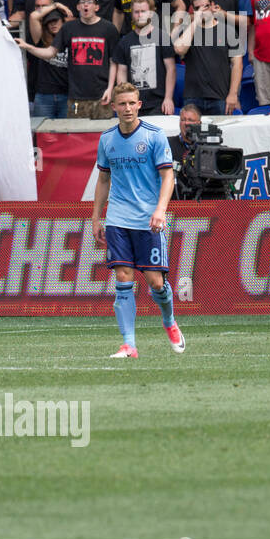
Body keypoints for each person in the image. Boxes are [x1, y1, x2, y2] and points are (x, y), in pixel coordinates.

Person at [93, 82, 183, 359]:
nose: (128, 108)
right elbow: (104, 178)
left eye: (132, 103)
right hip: (118, 218)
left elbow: (168, 175)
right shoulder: (107, 139)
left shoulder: (155, 136)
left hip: (148, 219)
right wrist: (97, 216)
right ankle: (129, 344)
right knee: (123, 277)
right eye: (122, 104)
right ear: (114, 106)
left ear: (139, 105)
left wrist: (160, 210)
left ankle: (168, 320)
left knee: (156, 282)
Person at [20, 0, 121, 118]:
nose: (85, 4)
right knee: (75, 135)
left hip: (101, 95)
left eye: (89, 2)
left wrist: (110, 88)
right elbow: (51, 52)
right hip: (76, 97)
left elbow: (113, 61)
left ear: (96, 7)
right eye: (82, 2)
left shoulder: (109, 28)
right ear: (78, 7)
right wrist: (27, 46)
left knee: (102, 134)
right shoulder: (69, 28)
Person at [172, 0, 242, 114]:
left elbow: (237, 64)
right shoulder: (189, 32)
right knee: (192, 134)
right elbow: (179, 49)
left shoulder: (228, 31)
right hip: (192, 97)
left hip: (220, 97)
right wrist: (195, 22)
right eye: (198, 8)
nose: (203, 10)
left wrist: (233, 94)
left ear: (213, 6)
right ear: (193, 10)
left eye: (206, 6)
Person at [112, 0, 176, 115]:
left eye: (143, 11)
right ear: (132, 14)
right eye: (136, 12)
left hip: (159, 103)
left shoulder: (162, 37)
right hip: (133, 105)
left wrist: (168, 98)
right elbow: (121, 72)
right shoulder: (125, 42)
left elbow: (171, 69)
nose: (140, 15)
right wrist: (125, 100)